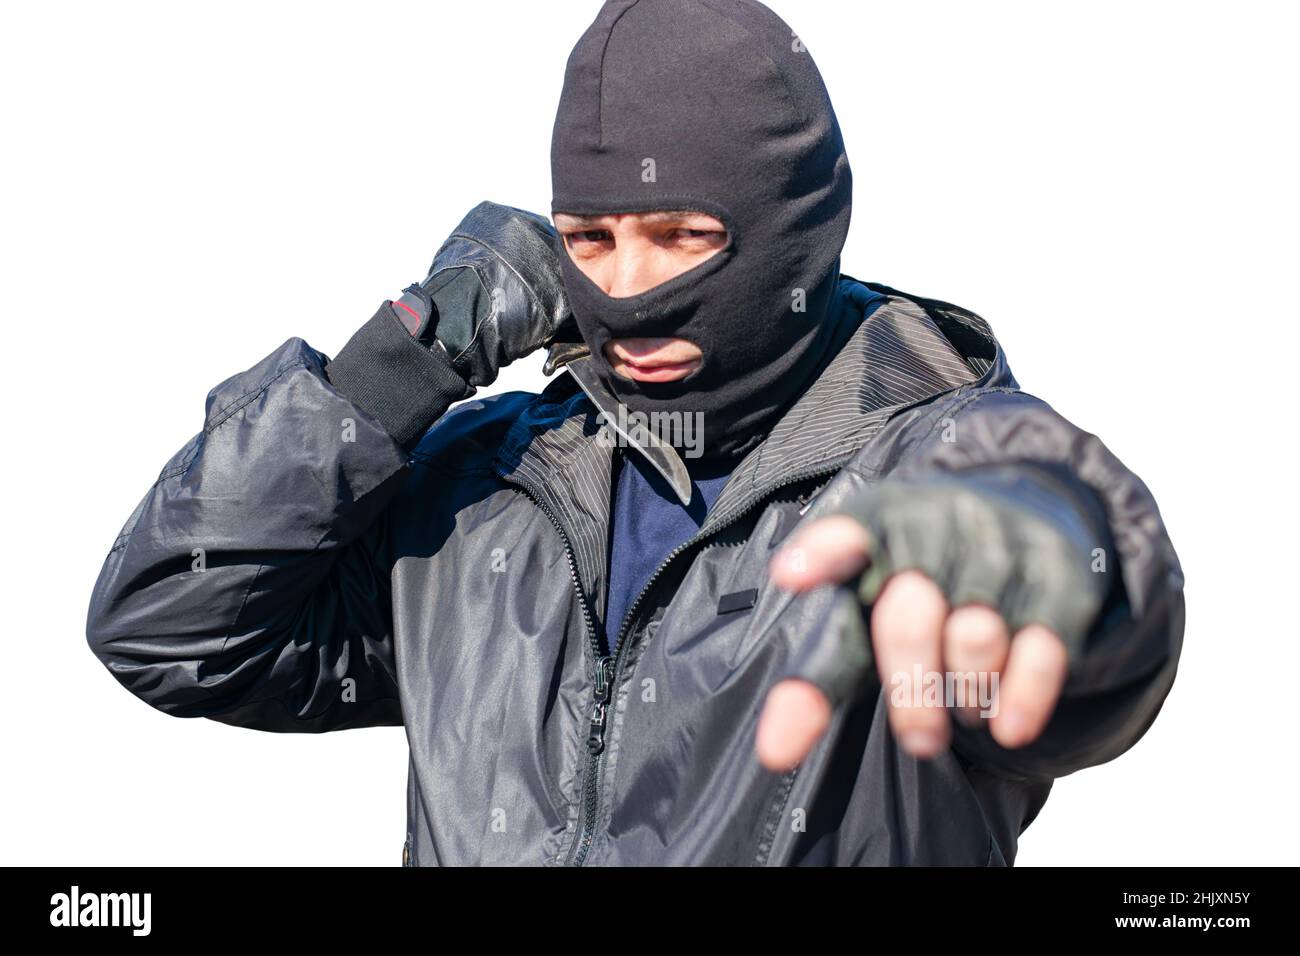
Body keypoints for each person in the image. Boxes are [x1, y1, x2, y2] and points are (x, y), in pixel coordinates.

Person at [85, 0, 1184, 866]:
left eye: (680, 235)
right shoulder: (485, 489)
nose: (629, 291)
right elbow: (170, 624)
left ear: (796, 231)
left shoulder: (926, 461)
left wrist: (1062, 573)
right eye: (588, 239)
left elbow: (1084, 609)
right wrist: (405, 361)